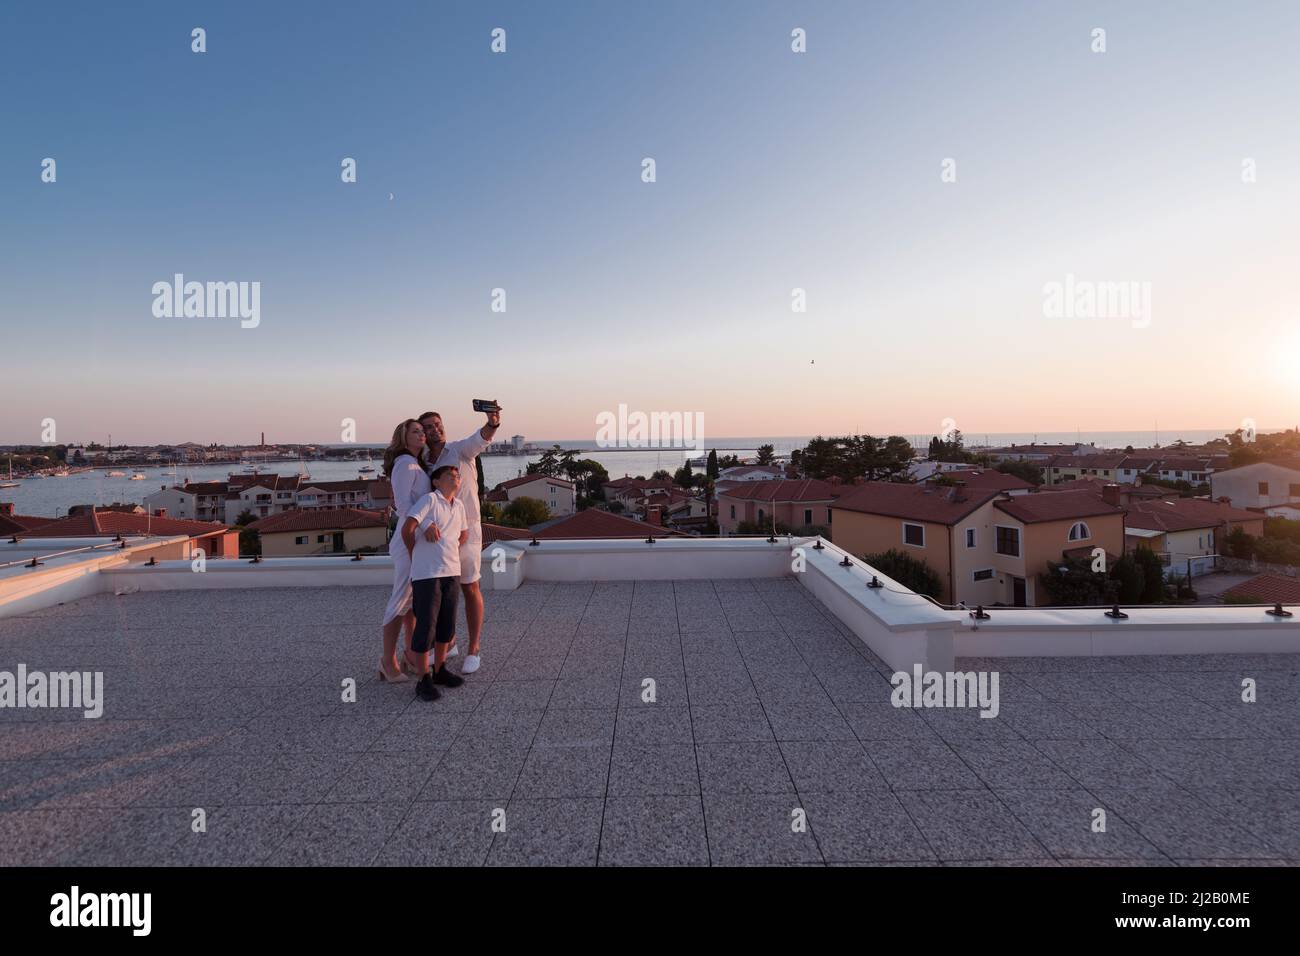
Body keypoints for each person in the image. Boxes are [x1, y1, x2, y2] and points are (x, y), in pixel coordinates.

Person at [419, 405, 500, 675]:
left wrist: (492, 423)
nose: (434, 429)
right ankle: (449, 642)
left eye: (437, 424)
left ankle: (474, 648)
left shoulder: (460, 450)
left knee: (469, 587)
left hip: (467, 530)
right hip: (439, 536)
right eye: (428, 427)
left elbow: (481, 438)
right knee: (444, 592)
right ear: (422, 433)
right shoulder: (424, 461)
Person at [402, 465, 469, 701]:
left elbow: (464, 534)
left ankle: (439, 670)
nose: (455, 477)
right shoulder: (429, 500)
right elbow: (407, 527)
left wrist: (448, 548)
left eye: (457, 475)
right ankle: (423, 678)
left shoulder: (458, 505)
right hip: (427, 574)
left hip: (451, 571)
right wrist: (415, 554)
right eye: (449, 475)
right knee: (426, 627)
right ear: (437, 482)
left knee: (446, 625)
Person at [377, 419, 430, 682]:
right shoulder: (404, 464)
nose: (421, 435)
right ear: (403, 437)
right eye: (415, 431)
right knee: (400, 600)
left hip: (418, 538)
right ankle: (387, 661)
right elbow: (404, 506)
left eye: (423, 431)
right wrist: (426, 525)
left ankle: (409, 654)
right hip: (408, 538)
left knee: (411, 602)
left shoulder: (416, 464)